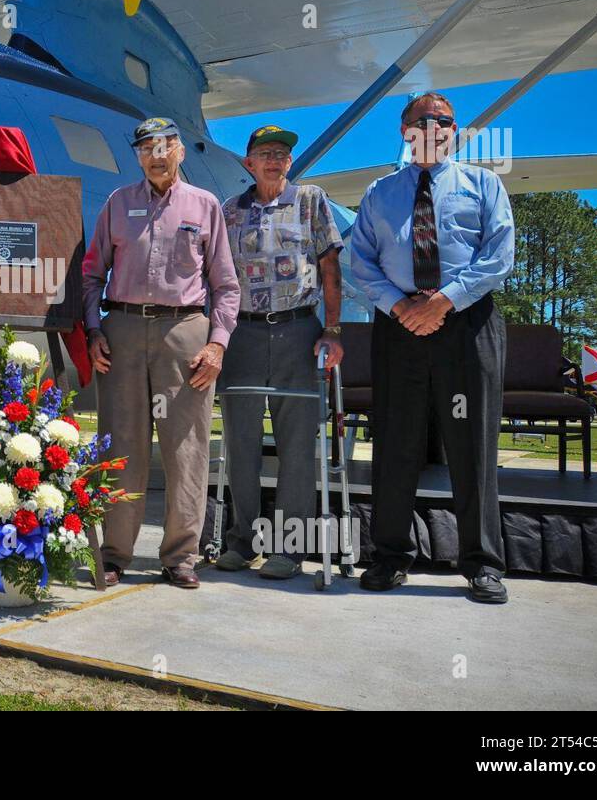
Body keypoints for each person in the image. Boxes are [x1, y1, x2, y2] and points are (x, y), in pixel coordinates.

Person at [349, 91, 514, 603]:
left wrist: (443, 301)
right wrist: (402, 308)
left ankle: (482, 563)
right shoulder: (380, 193)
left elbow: (498, 254)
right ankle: (391, 555)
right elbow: (361, 262)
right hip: (399, 327)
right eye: (424, 119)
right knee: (395, 443)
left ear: (454, 130)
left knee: (473, 445)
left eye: (444, 120)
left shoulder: (483, 184)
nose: (435, 126)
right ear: (405, 130)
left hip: (467, 325)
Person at [83, 117, 240, 589]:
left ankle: (179, 557)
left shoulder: (204, 205)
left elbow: (226, 286)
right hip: (124, 331)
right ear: (137, 156)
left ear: (180, 152)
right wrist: (93, 330)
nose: (156, 155)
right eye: (147, 147)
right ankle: (114, 554)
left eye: (165, 145)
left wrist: (217, 343)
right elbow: (92, 274)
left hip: (185, 334)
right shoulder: (117, 203)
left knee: (186, 450)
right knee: (121, 447)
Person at [217, 125, 344, 579]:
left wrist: (332, 330)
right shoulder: (229, 211)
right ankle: (241, 541)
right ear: (248, 163)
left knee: (295, 446)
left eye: (283, 154)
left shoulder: (310, 200)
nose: (275, 160)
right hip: (243, 335)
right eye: (265, 153)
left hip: (298, 331)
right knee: (240, 443)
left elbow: (330, 269)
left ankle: (289, 549)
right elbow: (217, 277)